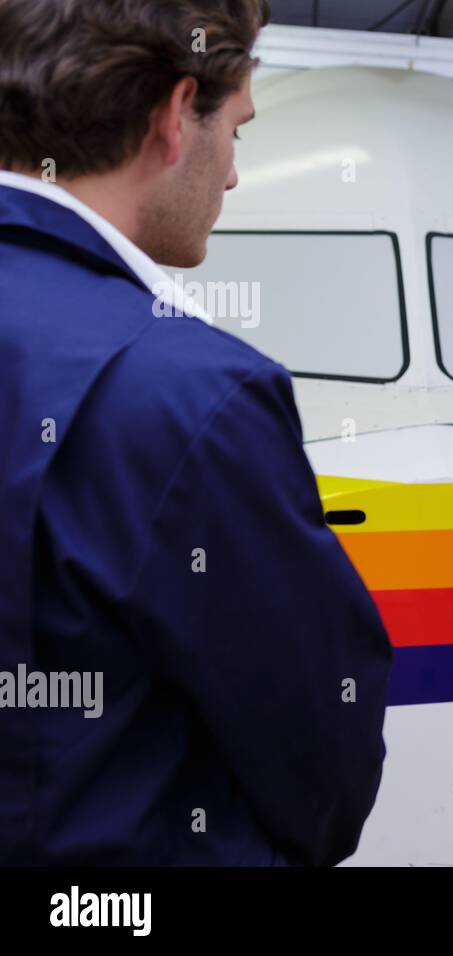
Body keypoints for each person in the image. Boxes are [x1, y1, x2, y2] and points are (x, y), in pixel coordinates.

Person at [0, 0, 392, 865]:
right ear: (177, 116)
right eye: (238, 133)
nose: (233, 177)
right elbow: (317, 747)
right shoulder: (191, 392)